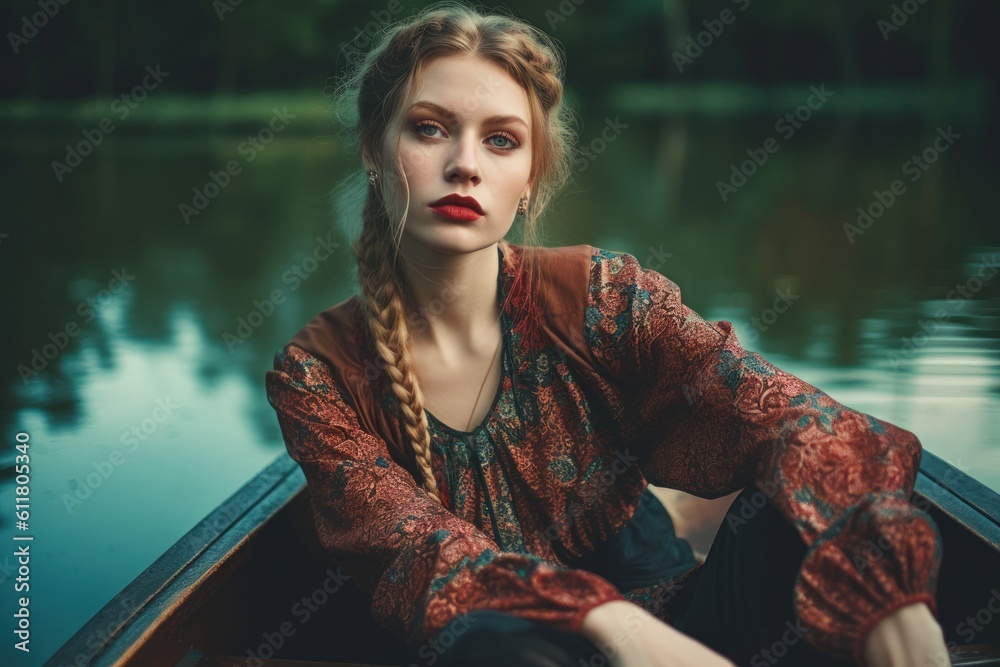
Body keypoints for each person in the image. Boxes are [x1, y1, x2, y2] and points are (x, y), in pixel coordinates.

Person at [265, 3, 949, 665]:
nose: (465, 164)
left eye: (501, 139)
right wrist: (606, 618)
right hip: (519, 648)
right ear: (374, 150)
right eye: (429, 128)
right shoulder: (318, 374)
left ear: (528, 180)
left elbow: (785, 414)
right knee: (483, 641)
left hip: (691, 627)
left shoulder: (604, 299)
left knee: (805, 514)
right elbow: (417, 550)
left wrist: (889, 592)